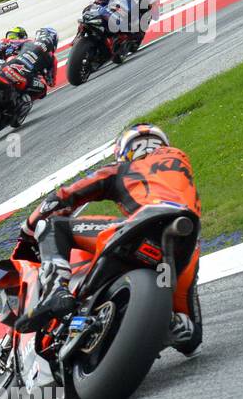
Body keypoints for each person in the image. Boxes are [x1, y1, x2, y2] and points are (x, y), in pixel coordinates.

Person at [21, 124, 202, 356]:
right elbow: (193, 343)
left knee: (53, 226)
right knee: (192, 336)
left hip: (142, 225)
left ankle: (57, 291)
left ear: (125, 150)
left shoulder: (123, 168)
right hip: (185, 243)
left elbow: (64, 196)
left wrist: (28, 227)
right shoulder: (182, 169)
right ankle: (168, 324)